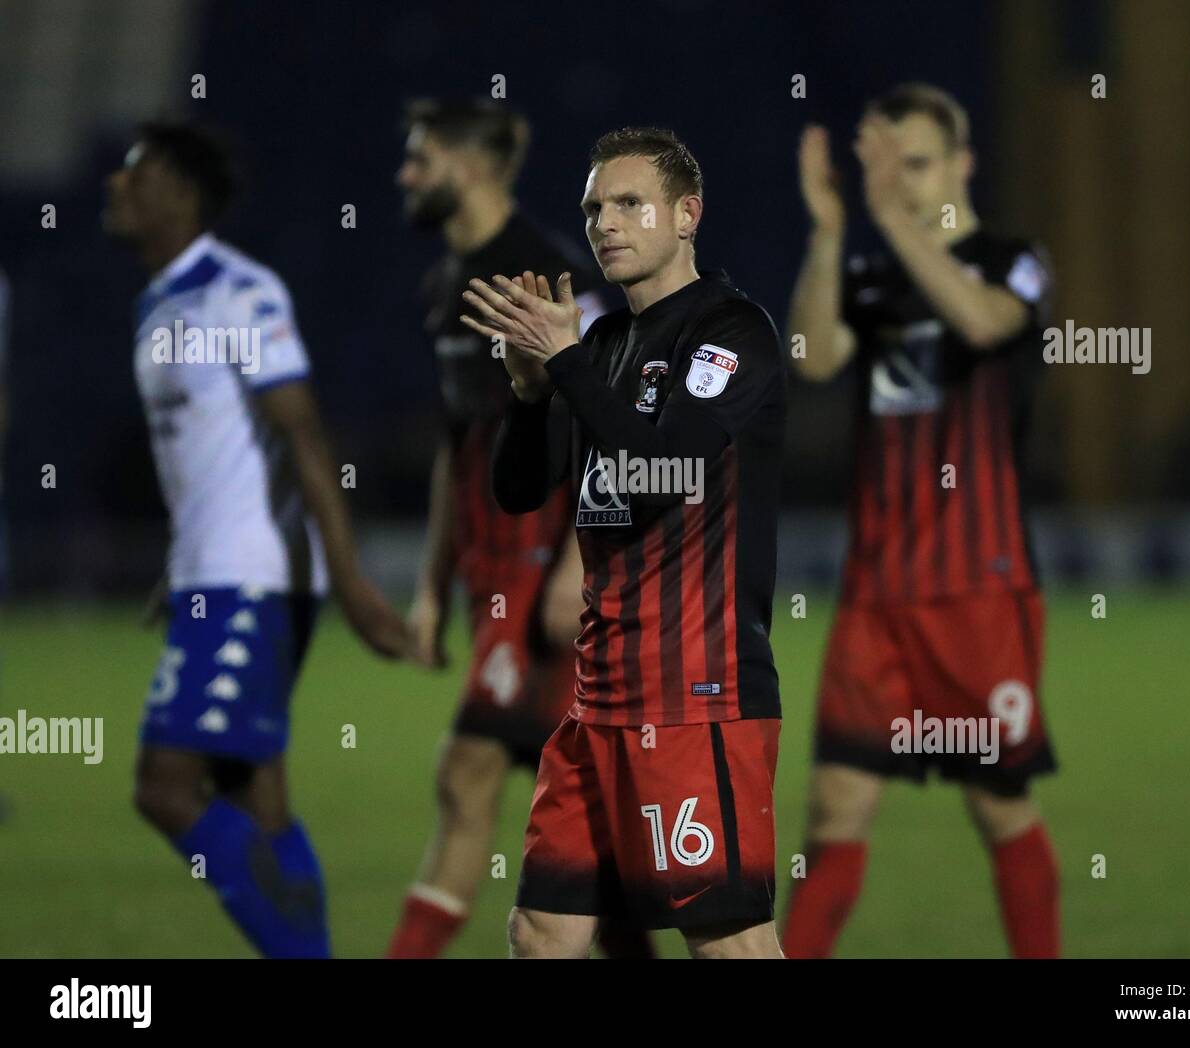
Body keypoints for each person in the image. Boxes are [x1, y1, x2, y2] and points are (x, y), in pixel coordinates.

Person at [462, 127, 788, 958]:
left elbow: (668, 464)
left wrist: (564, 361)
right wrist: (532, 393)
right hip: (597, 700)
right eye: (595, 207)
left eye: (630, 203)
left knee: (731, 944)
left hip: (696, 696)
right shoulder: (603, 347)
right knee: (541, 935)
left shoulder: (730, 331)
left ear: (687, 214)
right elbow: (518, 492)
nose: (607, 222)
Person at [105, 120, 409, 958]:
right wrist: (182, 568)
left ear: (181, 192)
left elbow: (304, 436)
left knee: (165, 789)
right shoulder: (157, 303)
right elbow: (210, 457)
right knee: (254, 797)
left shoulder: (240, 293)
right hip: (215, 576)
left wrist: (352, 582)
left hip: (251, 581)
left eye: (136, 173)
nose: (116, 186)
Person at [782, 83, 1060, 958]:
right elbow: (813, 357)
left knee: (1000, 803)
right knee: (834, 808)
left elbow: (982, 322)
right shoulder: (870, 279)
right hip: (876, 597)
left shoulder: (1013, 261)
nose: (900, 182)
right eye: (887, 166)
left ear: (962, 163)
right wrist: (831, 233)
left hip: (978, 593)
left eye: (918, 163)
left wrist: (893, 222)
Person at [386, 98, 650, 958]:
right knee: (585, 810)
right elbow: (457, 450)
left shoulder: (552, 273)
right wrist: (429, 589)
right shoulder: (442, 287)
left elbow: (611, 423)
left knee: (474, 773)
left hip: (551, 570)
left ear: (467, 165)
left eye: (420, 159)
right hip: (492, 579)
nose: (406, 175)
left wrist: (583, 556)